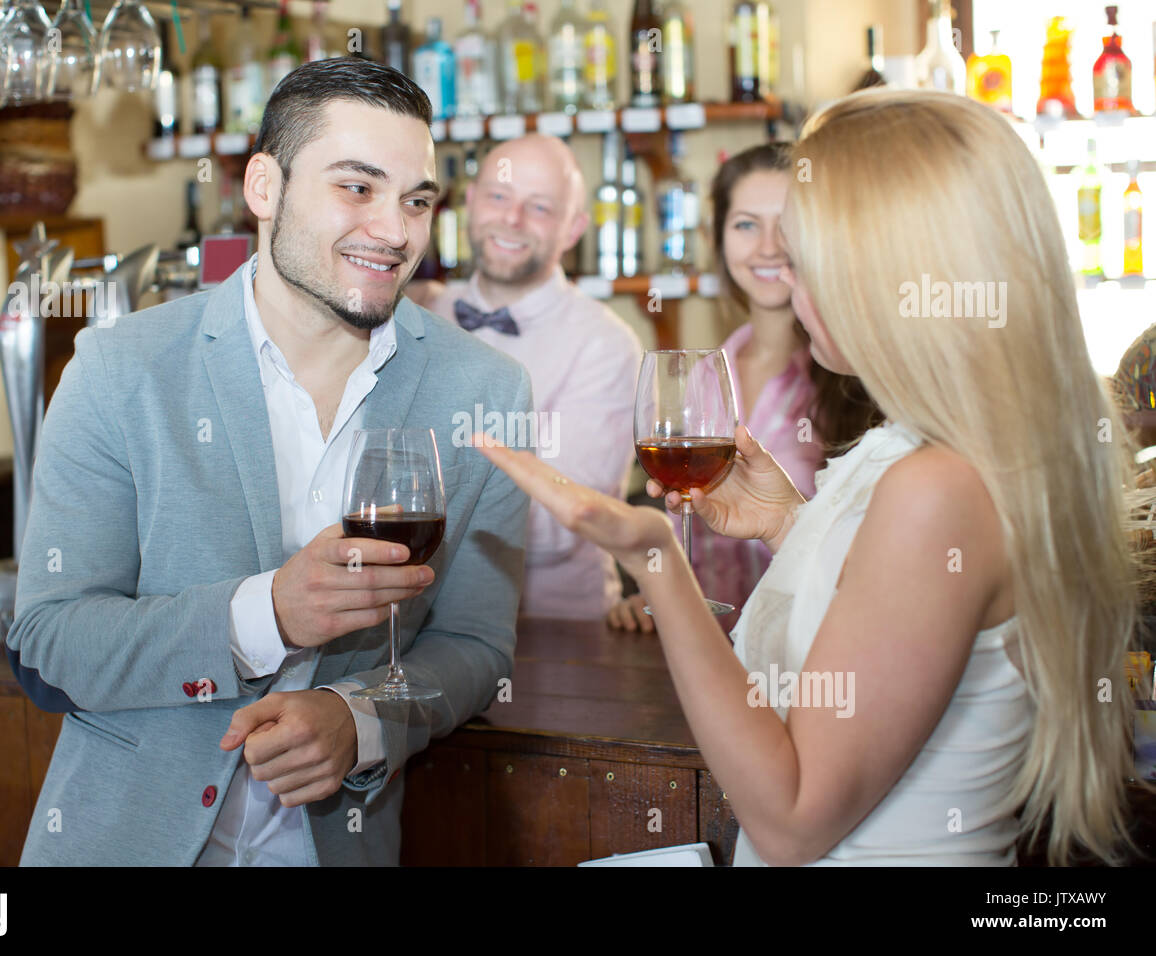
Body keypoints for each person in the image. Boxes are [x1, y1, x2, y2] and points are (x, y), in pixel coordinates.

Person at [476, 88, 1143, 866]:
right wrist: (791, 523)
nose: (787, 288)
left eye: (806, 262)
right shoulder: (950, 450)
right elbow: (900, 616)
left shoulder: (938, 488)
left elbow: (793, 819)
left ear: (890, 277)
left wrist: (656, 561)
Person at [5, 57, 532, 866]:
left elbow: (474, 646)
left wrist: (358, 720)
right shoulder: (120, 369)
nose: (395, 230)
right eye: (356, 188)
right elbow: (50, 640)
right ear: (263, 186)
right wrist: (267, 614)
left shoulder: (486, 388)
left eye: (416, 200)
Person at [608, 143, 880, 633]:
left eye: (787, 225)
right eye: (746, 224)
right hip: (710, 648)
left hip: (815, 646)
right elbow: (685, 520)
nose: (769, 247)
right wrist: (656, 595)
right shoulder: (704, 376)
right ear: (717, 239)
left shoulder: (859, 383)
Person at [409, 134, 641, 620]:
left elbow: (563, 522)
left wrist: (408, 513)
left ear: (574, 228)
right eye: (498, 196)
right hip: (407, 637)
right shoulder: (416, 315)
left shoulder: (606, 344)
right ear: (470, 203)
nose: (512, 219)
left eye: (540, 207)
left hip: (557, 640)